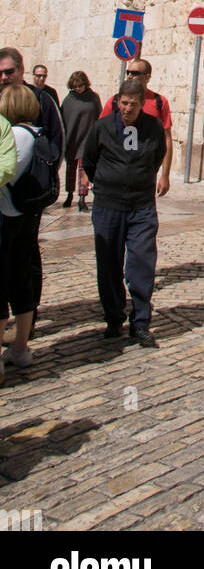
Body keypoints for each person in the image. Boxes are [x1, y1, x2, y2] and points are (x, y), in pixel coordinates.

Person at [83, 78, 167, 346]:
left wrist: (139, 179)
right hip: (109, 205)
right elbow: (90, 160)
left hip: (141, 206)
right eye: (124, 103)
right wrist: (109, 183)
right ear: (117, 101)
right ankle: (113, 316)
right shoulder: (104, 127)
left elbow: (157, 156)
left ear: (142, 104)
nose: (127, 109)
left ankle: (140, 321)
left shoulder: (151, 127)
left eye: (133, 104)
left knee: (142, 262)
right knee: (108, 263)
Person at [0, 46, 64, 339]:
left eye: (8, 71)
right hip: (8, 199)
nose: (3, 77)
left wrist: (43, 184)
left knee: (25, 257)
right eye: (0, 73)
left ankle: (29, 315)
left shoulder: (40, 99)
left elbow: (56, 144)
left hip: (26, 197)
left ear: (21, 70)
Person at [0, 86, 44, 379]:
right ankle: (21, 347)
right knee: (21, 278)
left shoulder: (14, 136)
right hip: (29, 215)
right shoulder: (40, 134)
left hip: (7, 216)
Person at [99, 58, 172, 197]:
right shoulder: (115, 101)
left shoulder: (160, 102)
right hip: (114, 174)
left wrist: (164, 175)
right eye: (128, 72)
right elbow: (99, 134)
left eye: (135, 73)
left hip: (143, 177)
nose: (130, 76)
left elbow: (167, 140)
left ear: (147, 77)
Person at [60, 72, 102, 210]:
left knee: (84, 169)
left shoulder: (93, 98)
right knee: (70, 168)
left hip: (87, 139)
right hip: (72, 138)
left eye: (80, 85)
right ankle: (69, 195)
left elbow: (99, 117)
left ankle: (82, 198)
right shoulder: (69, 100)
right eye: (75, 86)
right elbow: (64, 118)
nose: (78, 88)